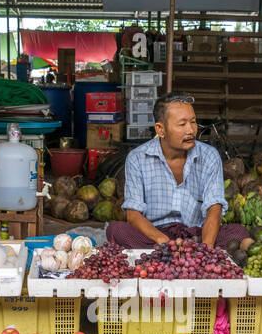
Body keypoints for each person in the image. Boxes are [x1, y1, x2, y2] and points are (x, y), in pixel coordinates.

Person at [107, 93, 251, 251]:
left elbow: (214, 207)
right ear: (160, 129)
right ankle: (166, 254)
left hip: (197, 234)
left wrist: (206, 248)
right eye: (182, 124)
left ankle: (182, 256)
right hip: (155, 235)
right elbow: (133, 214)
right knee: (116, 230)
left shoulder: (209, 156)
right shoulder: (137, 158)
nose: (190, 130)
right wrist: (165, 243)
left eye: (193, 122)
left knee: (238, 232)